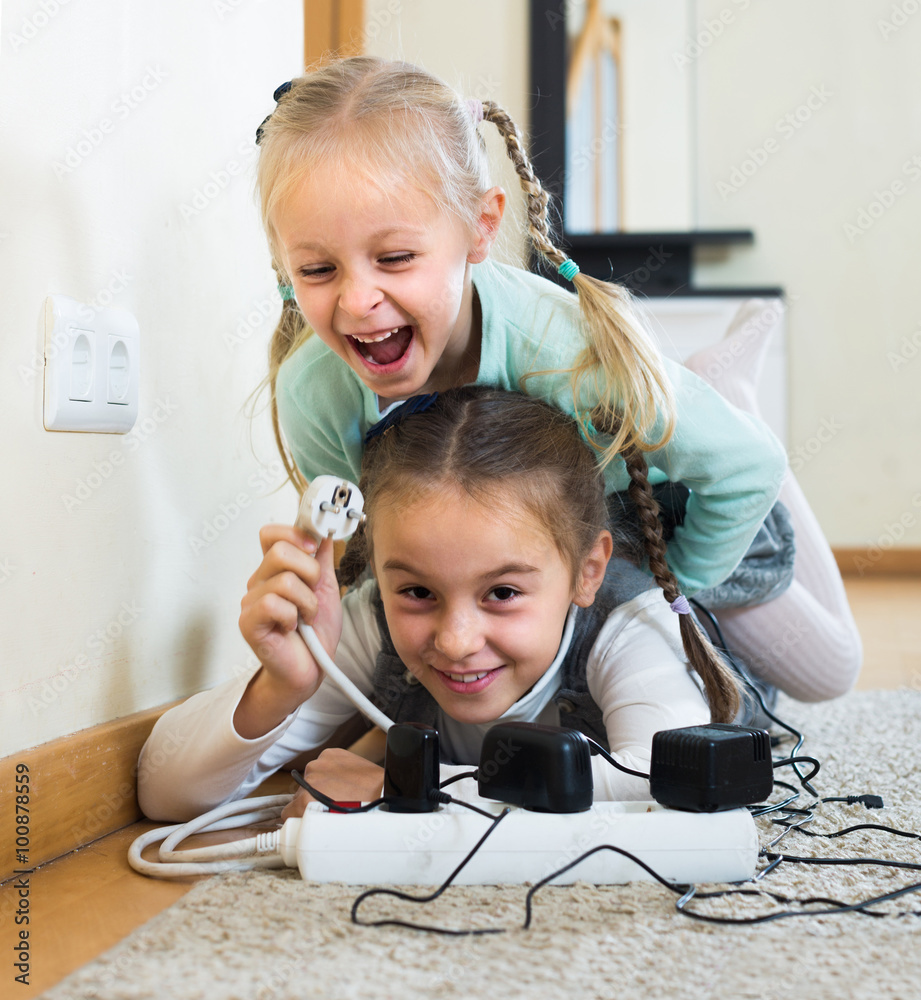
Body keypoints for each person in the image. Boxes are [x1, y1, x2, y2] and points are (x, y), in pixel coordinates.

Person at [251, 57, 862, 704]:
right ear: (284, 268)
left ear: (481, 228)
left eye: (395, 258)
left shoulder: (573, 359)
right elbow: (368, 551)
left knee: (828, 674)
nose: (356, 301)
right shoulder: (311, 394)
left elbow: (747, 467)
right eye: (318, 270)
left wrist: (666, 593)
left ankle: (721, 395)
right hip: (531, 545)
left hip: (660, 504)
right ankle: (703, 396)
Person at [138, 387, 739, 822]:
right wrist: (282, 684)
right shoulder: (369, 617)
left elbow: (669, 781)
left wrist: (411, 783)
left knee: (829, 663)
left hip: (731, 596)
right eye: (419, 592)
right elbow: (164, 793)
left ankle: (729, 392)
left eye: (502, 593)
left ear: (586, 572)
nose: (455, 641)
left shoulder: (629, 621)